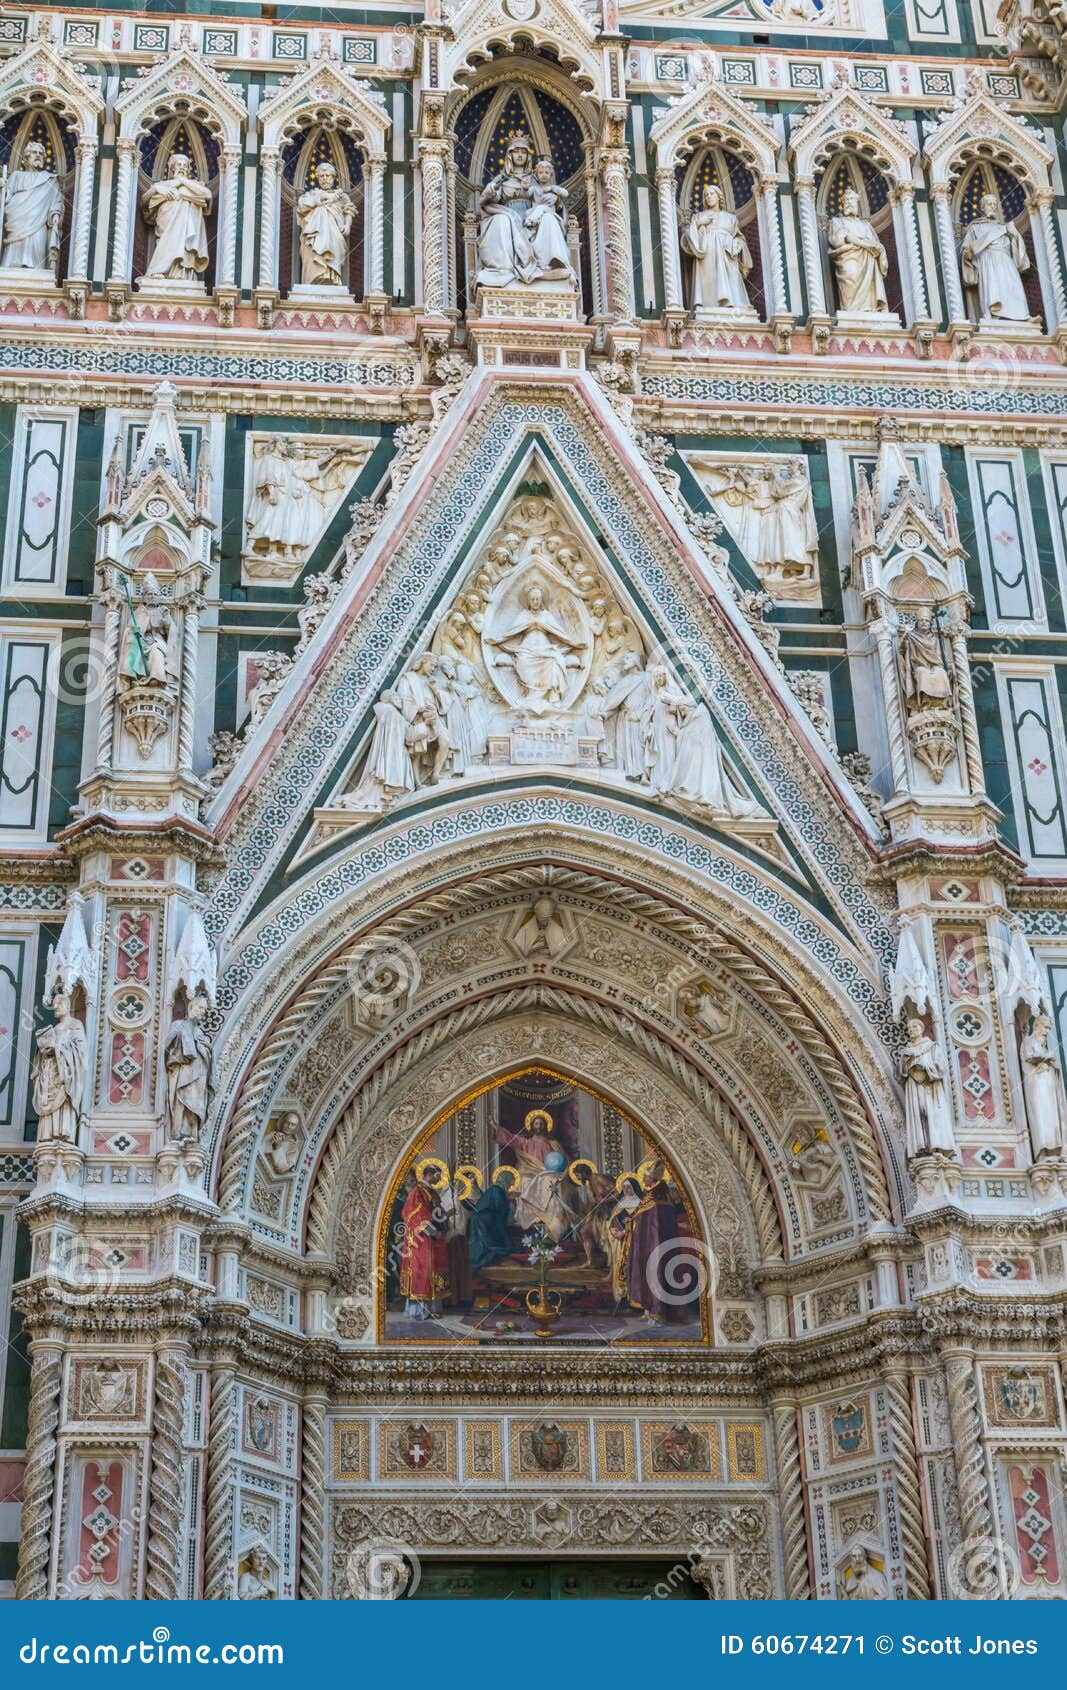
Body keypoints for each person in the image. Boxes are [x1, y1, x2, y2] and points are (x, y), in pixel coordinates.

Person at [625, 1158, 696, 1323]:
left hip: (656, 1245)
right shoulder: (653, 1194)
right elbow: (640, 1216)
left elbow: (650, 1219)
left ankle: (659, 1312)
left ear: (653, 1178)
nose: (643, 1179)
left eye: (645, 1176)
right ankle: (651, 1310)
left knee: (657, 1271)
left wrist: (633, 1221)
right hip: (649, 1244)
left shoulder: (657, 1194)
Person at [681, 182, 752, 313]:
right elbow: (687, 239)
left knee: (731, 280)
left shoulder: (731, 218)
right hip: (707, 254)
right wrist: (697, 224)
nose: (708, 197)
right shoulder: (699, 216)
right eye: (706, 195)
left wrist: (737, 243)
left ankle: (734, 304)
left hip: (727, 254)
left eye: (711, 194)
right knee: (710, 281)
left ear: (719, 196)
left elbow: (739, 237)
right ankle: (709, 306)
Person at [960, 193, 1032, 322]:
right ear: (983, 207)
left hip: (1006, 260)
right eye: (989, 204)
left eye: (994, 204)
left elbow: (1016, 251)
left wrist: (1015, 235)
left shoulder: (1004, 228)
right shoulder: (975, 228)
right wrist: (970, 253)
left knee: (1013, 286)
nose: (992, 207)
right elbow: (966, 249)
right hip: (988, 260)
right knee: (993, 289)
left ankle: (1022, 315)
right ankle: (994, 316)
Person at [142, 154, 212, 284]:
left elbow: (207, 195)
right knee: (168, 241)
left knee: (184, 244)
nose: (182, 168)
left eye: (185, 166)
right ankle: (159, 270)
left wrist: (183, 181)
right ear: (172, 167)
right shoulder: (163, 185)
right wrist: (157, 189)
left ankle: (184, 275)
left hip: (187, 224)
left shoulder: (194, 185)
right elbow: (144, 201)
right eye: (179, 164)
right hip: (167, 219)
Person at [0, 140, 63, 273]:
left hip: (39, 225)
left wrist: (56, 214)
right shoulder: (16, 176)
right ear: (26, 156)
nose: (38, 155)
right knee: (13, 257)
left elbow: (56, 200)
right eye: (34, 152)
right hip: (16, 223)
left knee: (37, 254)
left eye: (41, 153)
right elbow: (5, 200)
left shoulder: (50, 179)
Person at [31, 992, 86, 1143]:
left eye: (59, 1004)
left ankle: (63, 1133)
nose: (55, 1007)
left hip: (65, 1073)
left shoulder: (75, 1025)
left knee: (65, 1100)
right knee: (47, 1101)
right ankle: (47, 1135)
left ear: (67, 1006)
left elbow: (81, 1053)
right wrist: (44, 1051)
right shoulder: (54, 1028)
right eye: (54, 1005)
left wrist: (58, 1048)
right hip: (49, 1073)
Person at [899, 1017, 956, 1159]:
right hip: (913, 1086)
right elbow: (899, 1074)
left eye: (915, 1028)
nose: (912, 1031)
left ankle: (936, 1145)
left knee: (931, 1111)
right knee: (918, 1113)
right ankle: (921, 1146)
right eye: (910, 1029)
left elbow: (941, 1067)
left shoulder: (931, 1046)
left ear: (921, 1030)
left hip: (929, 1086)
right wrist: (905, 1065)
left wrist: (926, 1068)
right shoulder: (907, 1051)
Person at [827, 186, 888, 314]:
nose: (849, 202)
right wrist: (865, 245)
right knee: (851, 274)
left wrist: (878, 248)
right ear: (843, 204)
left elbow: (875, 243)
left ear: (857, 203)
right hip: (848, 258)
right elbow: (838, 240)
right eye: (847, 200)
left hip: (868, 261)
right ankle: (851, 309)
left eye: (852, 200)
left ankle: (869, 308)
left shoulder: (865, 225)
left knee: (868, 285)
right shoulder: (837, 221)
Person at [398, 1168, 449, 1318]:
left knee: (433, 1269)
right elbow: (417, 1215)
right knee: (422, 1270)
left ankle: (432, 1309)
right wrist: (434, 1231)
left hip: (434, 1239)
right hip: (420, 1239)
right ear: (429, 1175)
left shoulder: (431, 1191)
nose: (439, 1179)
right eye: (437, 1175)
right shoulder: (418, 1191)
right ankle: (420, 1312)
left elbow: (437, 1211)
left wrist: (444, 1219)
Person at [296, 160, 355, 289]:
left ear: (333, 177)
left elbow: (349, 210)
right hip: (315, 235)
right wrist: (319, 200)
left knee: (334, 250)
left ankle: (331, 276)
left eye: (328, 176)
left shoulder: (342, 197)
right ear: (317, 178)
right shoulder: (312, 194)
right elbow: (301, 206)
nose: (325, 178)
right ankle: (314, 276)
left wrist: (347, 225)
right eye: (321, 176)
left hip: (335, 234)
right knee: (321, 211)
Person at [163, 991, 213, 1143]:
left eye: (204, 1009)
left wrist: (202, 1047)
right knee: (181, 1100)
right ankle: (177, 1132)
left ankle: (192, 1133)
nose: (202, 1012)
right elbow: (166, 1046)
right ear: (191, 1007)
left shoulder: (200, 1033)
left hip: (198, 1074)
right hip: (182, 1070)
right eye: (200, 1007)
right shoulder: (178, 1025)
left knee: (195, 1104)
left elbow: (208, 1053)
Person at [1020, 1011, 1067, 1160]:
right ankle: (1042, 1150)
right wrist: (1046, 1058)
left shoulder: (1043, 1045)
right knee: (1041, 1114)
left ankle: (1054, 1150)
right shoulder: (1029, 1041)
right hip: (1037, 1083)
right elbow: (1029, 1056)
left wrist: (1054, 1066)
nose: (1047, 1032)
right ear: (1037, 1025)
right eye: (1045, 1027)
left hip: (1048, 1082)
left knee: (1051, 1115)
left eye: (1048, 1029)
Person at [523, 158, 574, 281]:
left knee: (548, 218)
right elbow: (527, 193)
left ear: (551, 174)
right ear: (536, 174)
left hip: (550, 216)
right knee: (545, 217)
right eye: (541, 173)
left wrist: (552, 189)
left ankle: (555, 259)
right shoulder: (535, 189)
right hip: (536, 218)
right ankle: (542, 261)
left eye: (547, 172)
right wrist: (525, 185)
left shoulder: (554, 188)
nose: (544, 175)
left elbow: (565, 194)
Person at [468, 1168, 516, 1277]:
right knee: (485, 1245)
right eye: (512, 1179)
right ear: (506, 1179)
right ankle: (478, 1266)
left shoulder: (498, 1190)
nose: (512, 1183)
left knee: (482, 1244)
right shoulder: (496, 1190)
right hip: (484, 1221)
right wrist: (509, 1200)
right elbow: (500, 1208)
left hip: (486, 1220)